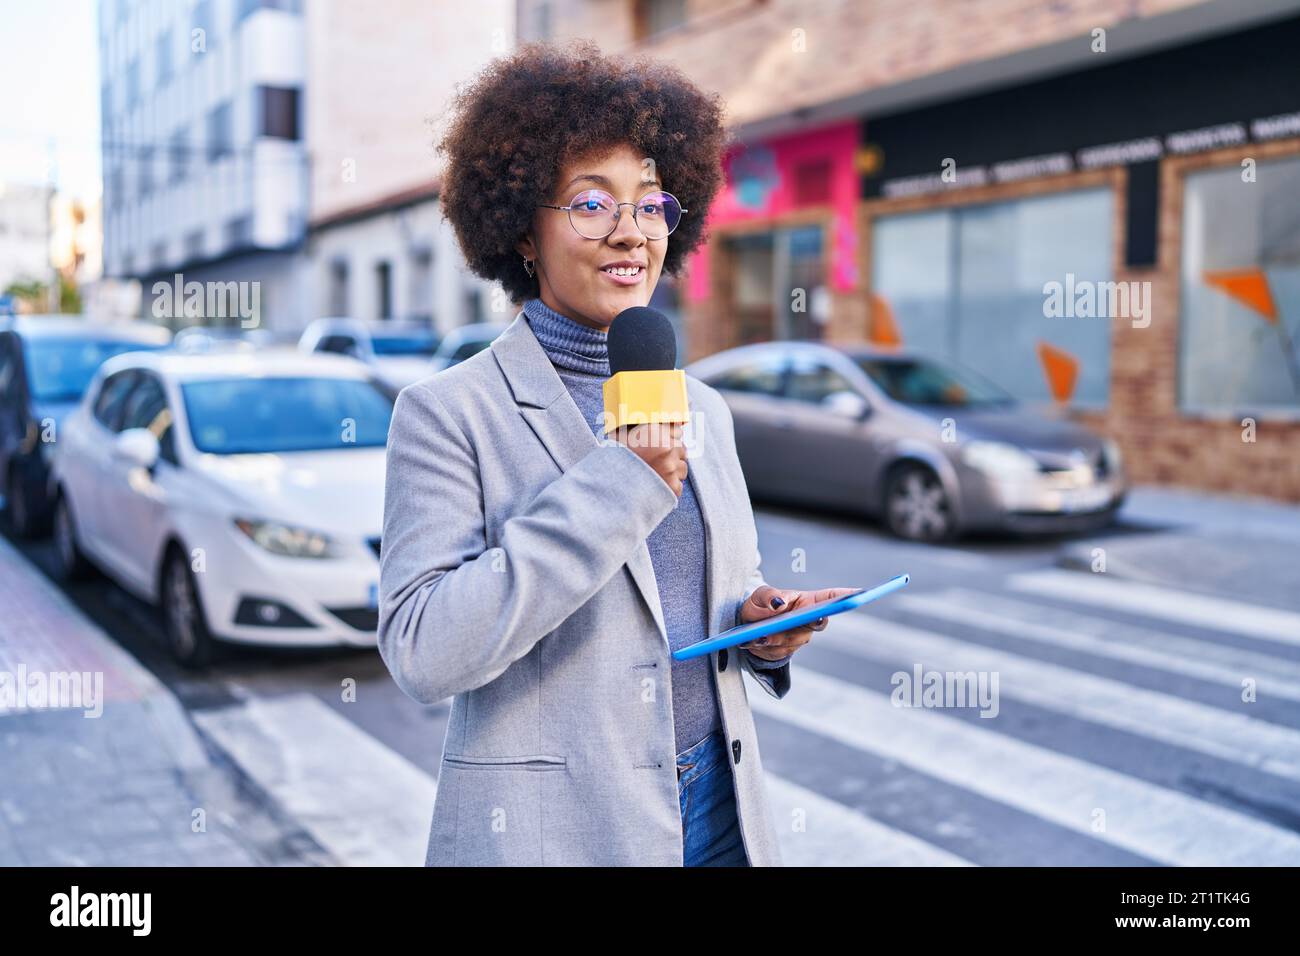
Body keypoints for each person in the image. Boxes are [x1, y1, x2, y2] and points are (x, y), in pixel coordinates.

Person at [377, 40, 856, 866]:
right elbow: (424, 649)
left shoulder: (701, 405)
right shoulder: (447, 413)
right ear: (523, 228)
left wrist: (754, 627)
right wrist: (616, 486)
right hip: (557, 833)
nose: (631, 233)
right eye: (592, 204)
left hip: (718, 810)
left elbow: (690, 596)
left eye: (650, 203)